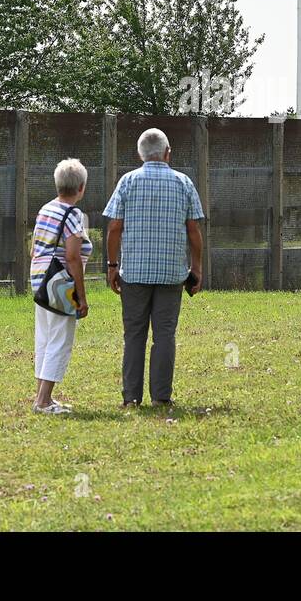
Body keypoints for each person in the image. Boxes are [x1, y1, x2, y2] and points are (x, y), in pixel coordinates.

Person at [103, 128, 204, 409]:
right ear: (168, 152)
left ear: (140, 154)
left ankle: (131, 398)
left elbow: (114, 227)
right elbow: (193, 230)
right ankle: (161, 397)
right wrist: (197, 268)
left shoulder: (127, 182)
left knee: (134, 335)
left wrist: (113, 266)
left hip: (134, 273)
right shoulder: (183, 182)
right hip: (172, 273)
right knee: (164, 335)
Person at [29, 158, 91, 416]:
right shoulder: (73, 214)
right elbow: (73, 256)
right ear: (81, 188)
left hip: (40, 280)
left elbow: (34, 248)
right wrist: (81, 295)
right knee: (60, 340)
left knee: (45, 336)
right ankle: (43, 401)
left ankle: (42, 396)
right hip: (61, 282)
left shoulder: (45, 209)